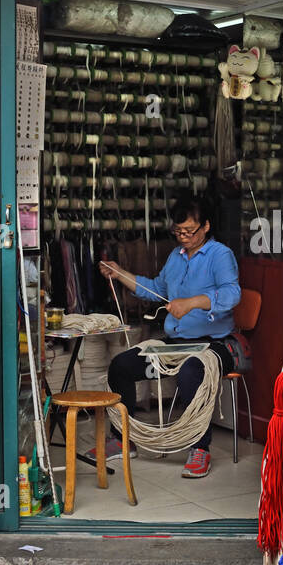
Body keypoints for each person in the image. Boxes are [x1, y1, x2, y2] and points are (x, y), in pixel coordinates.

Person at [99, 197, 240, 479]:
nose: (184, 237)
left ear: (206, 226)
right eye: (178, 231)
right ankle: (122, 439)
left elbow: (232, 294)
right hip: (175, 344)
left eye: (190, 231)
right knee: (121, 365)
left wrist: (192, 302)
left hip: (215, 344)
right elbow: (155, 289)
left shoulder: (220, 255)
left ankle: (199, 448)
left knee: (192, 371)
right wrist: (119, 273)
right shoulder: (176, 257)